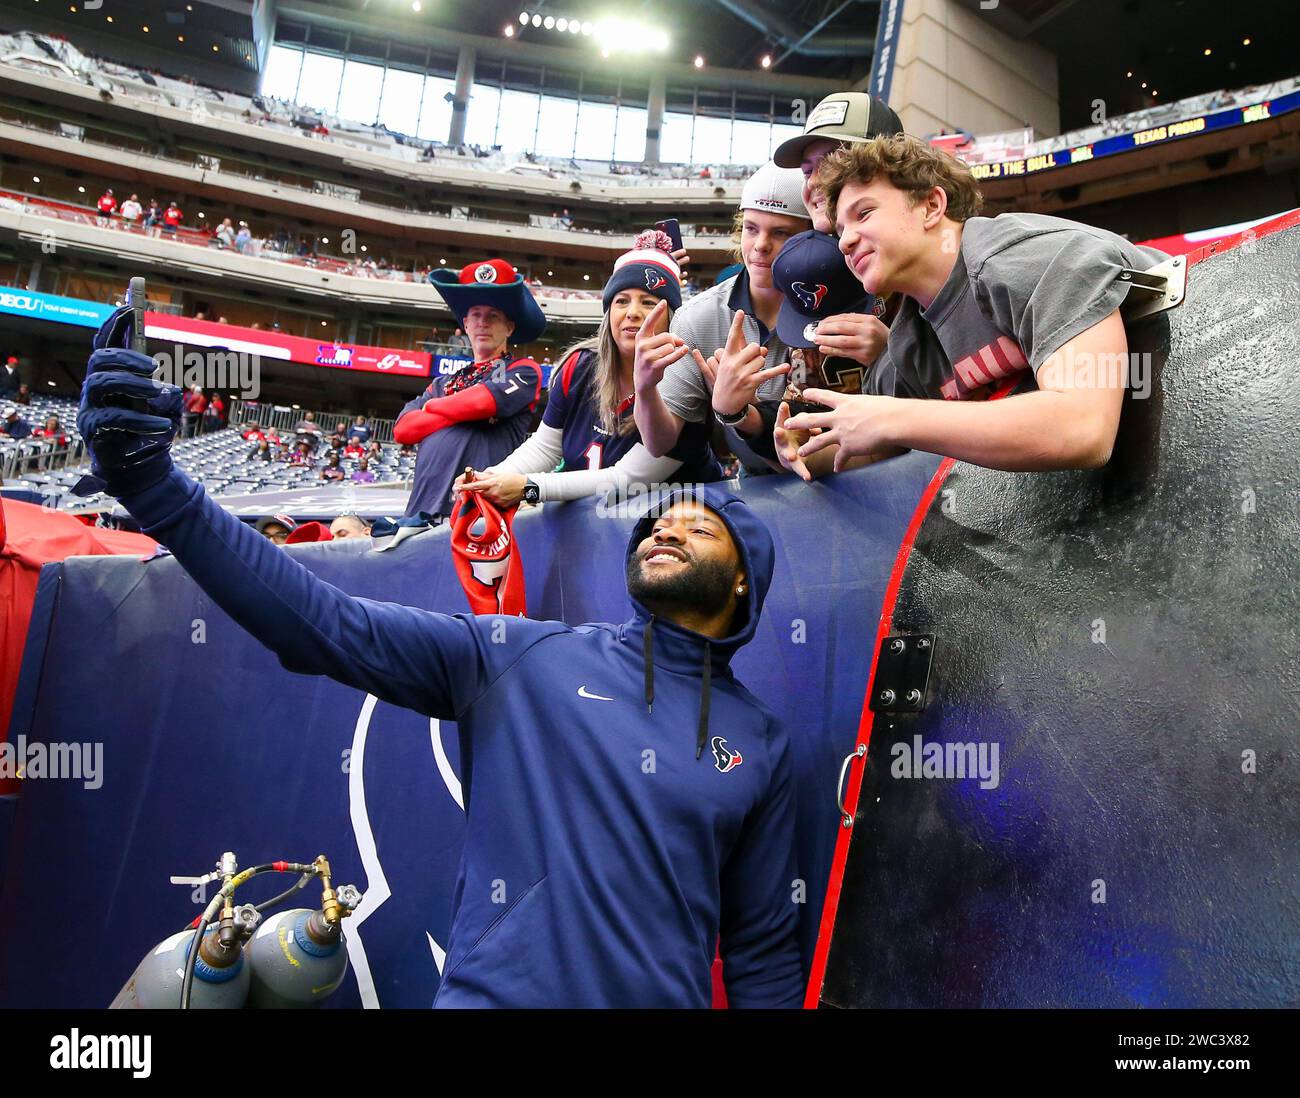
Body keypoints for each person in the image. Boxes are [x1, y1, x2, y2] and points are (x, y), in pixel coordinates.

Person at [72, 312, 803, 1006]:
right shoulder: (525, 655)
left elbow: (762, 950)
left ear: (745, 577)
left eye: (699, 528)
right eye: (658, 523)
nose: (666, 531)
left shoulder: (761, 742)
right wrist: (158, 491)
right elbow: (319, 622)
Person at [777, 135, 1169, 476]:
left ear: (932, 206)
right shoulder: (907, 344)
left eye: (864, 214)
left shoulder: (1025, 259)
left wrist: (892, 417)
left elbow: (1083, 430)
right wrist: (806, 450)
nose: (845, 242)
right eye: (841, 230)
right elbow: (879, 446)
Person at [455, 233, 720, 509]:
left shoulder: (685, 377)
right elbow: (546, 446)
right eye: (621, 301)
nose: (633, 312)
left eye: (649, 303)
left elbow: (627, 480)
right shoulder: (579, 366)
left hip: (672, 522)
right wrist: (488, 478)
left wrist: (530, 488)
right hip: (591, 522)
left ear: (671, 317)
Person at [633, 162, 812, 475]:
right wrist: (645, 388)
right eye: (751, 229)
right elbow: (658, 443)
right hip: (752, 480)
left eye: (781, 233)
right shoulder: (698, 317)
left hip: (838, 477)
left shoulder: (835, 307)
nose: (760, 245)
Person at [395, 258, 544, 520]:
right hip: (419, 515)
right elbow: (404, 430)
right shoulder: (442, 382)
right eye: (476, 314)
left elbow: (482, 402)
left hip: (480, 519)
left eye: (493, 315)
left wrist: (432, 407)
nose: (483, 322)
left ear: (509, 327)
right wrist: (461, 410)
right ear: (465, 324)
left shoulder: (523, 370)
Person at [773, 92, 903, 376]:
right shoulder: (807, 263)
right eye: (807, 171)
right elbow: (804, 392)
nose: (814, 181)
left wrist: (892, 356)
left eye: (832, 164)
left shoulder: (929, 262)